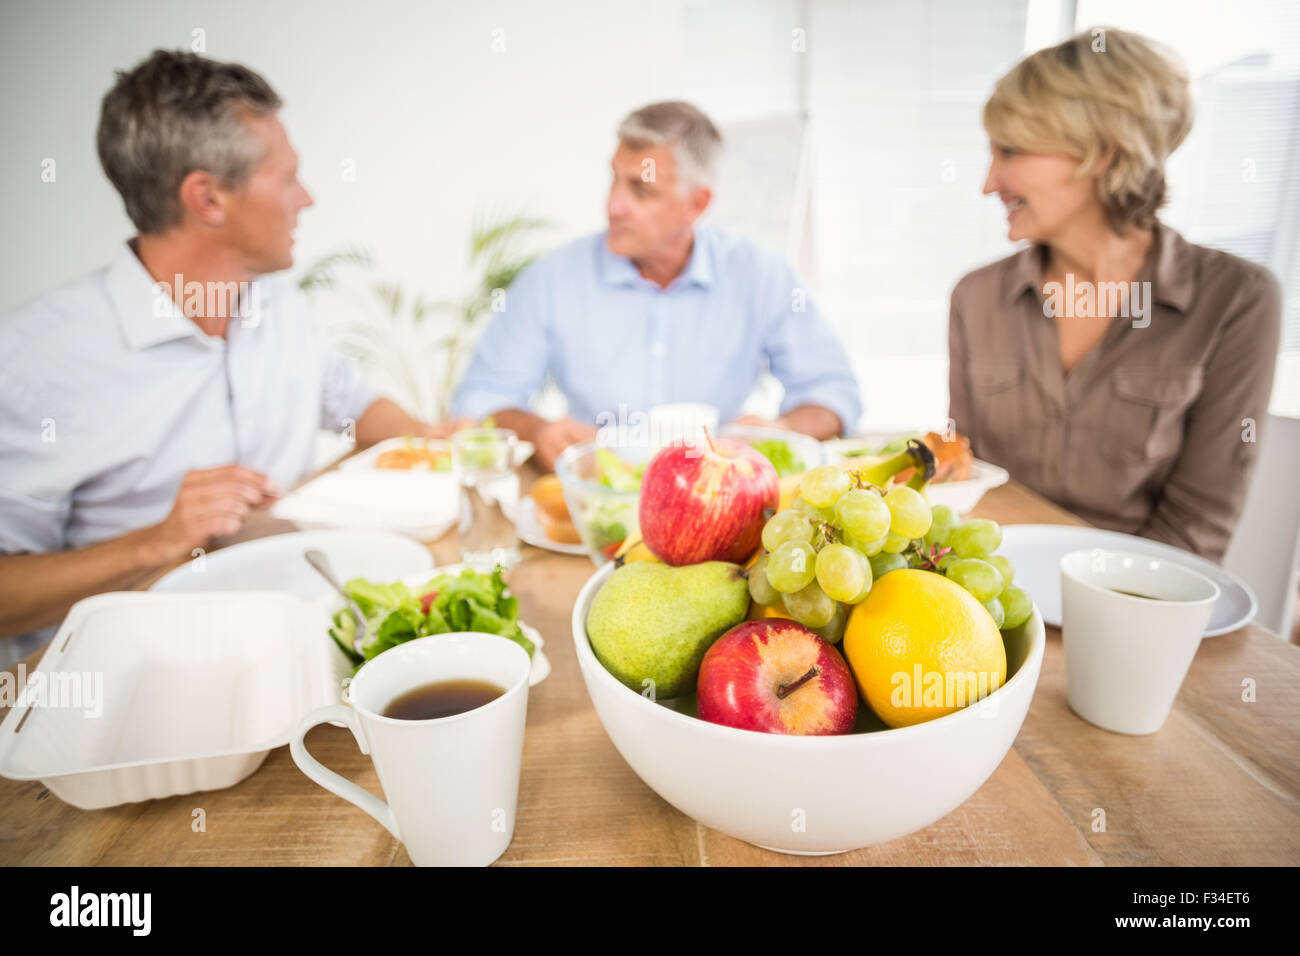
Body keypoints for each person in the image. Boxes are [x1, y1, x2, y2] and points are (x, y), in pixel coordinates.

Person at [0, 50, 460, 649]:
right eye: (288, 177)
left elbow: (353, 401)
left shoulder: (279, 305)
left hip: (305, 623)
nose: (308, 199)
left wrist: (422, 437)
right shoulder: (37, 357)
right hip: (139, 674)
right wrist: (162, 538)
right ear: (209, 199)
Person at [949, 28, 1282, 562]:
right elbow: (967, 478)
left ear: (1101, 152)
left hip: (1141, 597)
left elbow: (1198, 529)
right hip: (999, 597)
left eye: (1010, 150)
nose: (990, 182)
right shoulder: (976, 297)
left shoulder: (1237, 300)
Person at [452, 101, 862, 471]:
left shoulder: (759, 276)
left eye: (641, 190)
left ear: (696, 204)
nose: (614, 205)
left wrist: (780, 427)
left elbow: (833, 394)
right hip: (598, 498)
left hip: (717, 496)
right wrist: (536, 428)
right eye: (614, 180)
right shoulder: (552, 279)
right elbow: (482, 396)